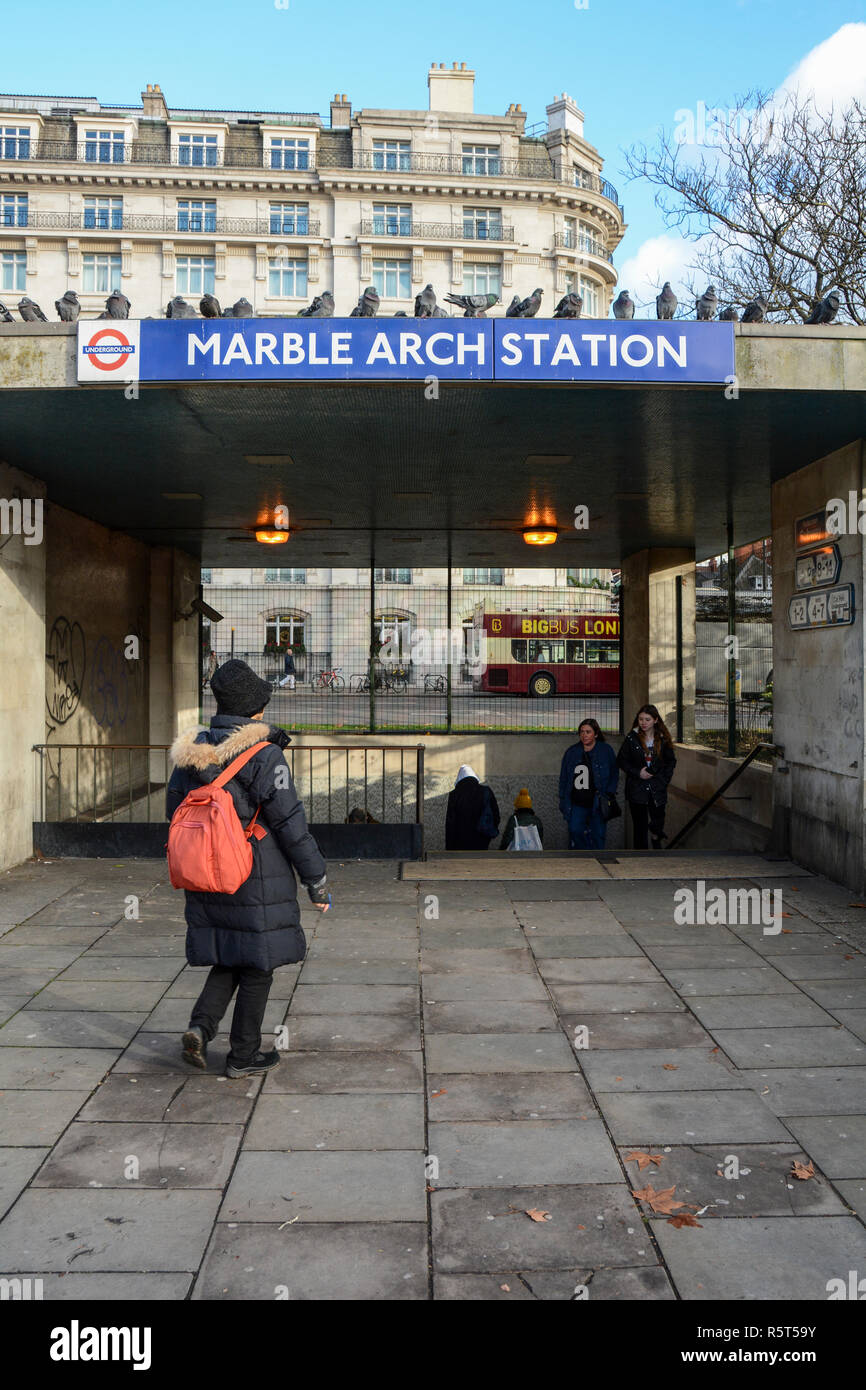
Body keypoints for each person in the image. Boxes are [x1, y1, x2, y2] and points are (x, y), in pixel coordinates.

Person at [166, 658, 330, 1078]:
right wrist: (316, 881)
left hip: (206, 873)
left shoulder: (191, 752)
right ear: (255, 709)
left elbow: (175, 814)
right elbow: (292, 826)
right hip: (256, 875)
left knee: (228, 952)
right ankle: (243, 1055)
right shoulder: (264, 754)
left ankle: (200, 1028)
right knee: (258, 963)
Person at [618, 703, 677, 849]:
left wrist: (663, 780)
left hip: (657, 788)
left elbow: (670, 762)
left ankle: (656, 838)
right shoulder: (632, 738)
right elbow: (621, 760)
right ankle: (641, 859)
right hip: (637, 788)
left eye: (647, 719)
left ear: (655, 720)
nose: (643, 723)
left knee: (657, 822)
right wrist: (638, 773)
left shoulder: (663, 739)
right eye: (641, 719)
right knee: (640, 826)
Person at [558, 718, 619, 850]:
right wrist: (563, 798)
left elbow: (614, 772)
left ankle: (597, 860)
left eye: (588, 732)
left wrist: (609, 792)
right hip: (577, 802)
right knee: (575, 830)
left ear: (596, 734)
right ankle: (583, 857)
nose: (584, 735)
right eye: (581, 732)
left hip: (597, 802)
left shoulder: (605, 750)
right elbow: (564, 777)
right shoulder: (572, 752)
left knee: (598, 834)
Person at [445, 764, 500, 850]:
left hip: (460, 841)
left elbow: (450, 822)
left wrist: (449, 846)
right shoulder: (486, 791)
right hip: (482, 838)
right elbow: (496, 814)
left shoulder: (454, 794)